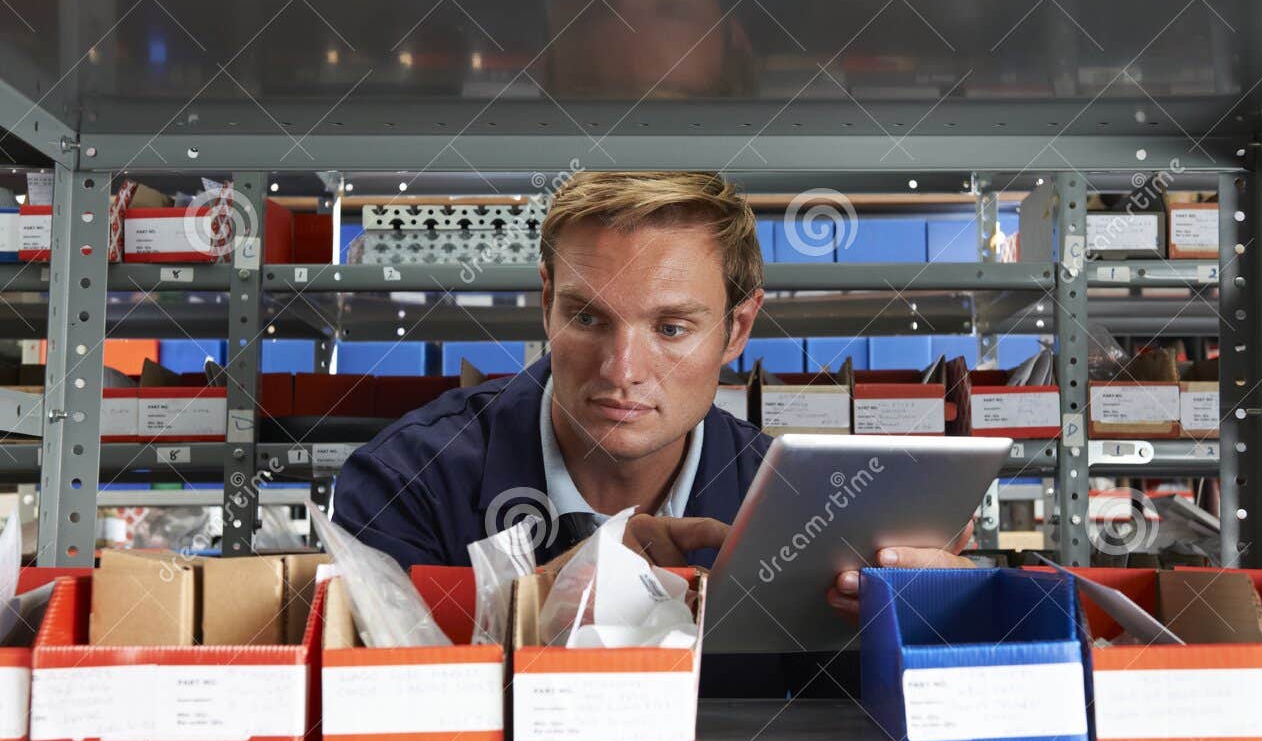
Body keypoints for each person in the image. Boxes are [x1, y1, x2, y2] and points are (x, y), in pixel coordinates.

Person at [331, 170, 972, 651]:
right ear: (546, 303)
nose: (621, 370)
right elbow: (369, 725)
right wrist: (540, 601)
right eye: (587, 318)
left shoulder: (802, 507)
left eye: (670, 328)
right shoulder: (407, 480)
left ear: (738, 327)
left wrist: (943, 621)